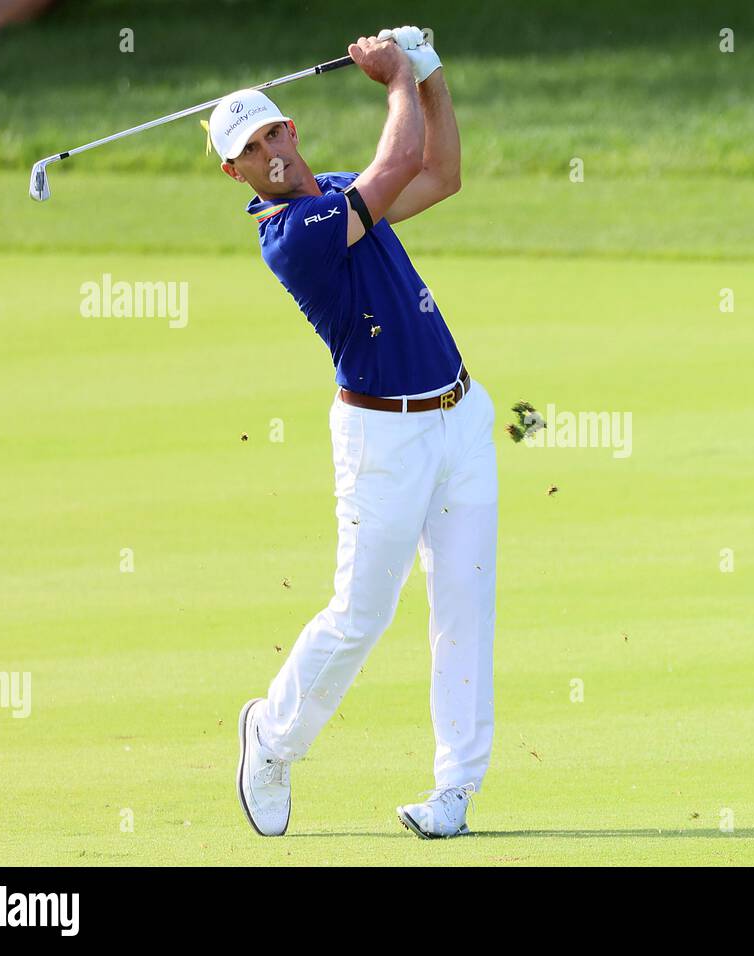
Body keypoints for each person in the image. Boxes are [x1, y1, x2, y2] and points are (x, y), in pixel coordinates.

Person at [211, 27, 497, 840]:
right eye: (247, 147)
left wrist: (431, 74)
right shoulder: (290, 238)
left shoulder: (339, 190)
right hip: (383, 443)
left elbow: (440, 172)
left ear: (291, 131)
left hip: (462, 419)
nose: (267, 149)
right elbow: (400, 161)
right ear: (232, 171)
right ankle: (271, 737)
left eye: (271, 131)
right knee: (360, 614)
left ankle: (455, 793)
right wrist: (396, 77)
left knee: (465, 608)